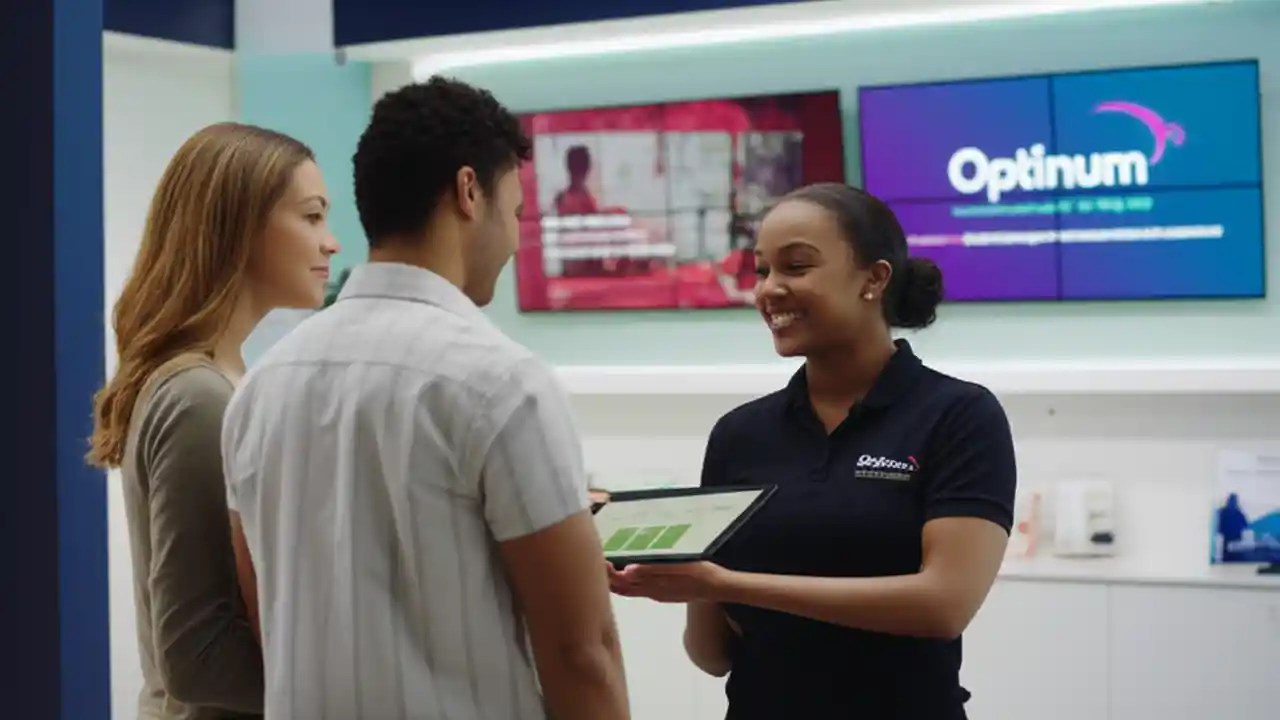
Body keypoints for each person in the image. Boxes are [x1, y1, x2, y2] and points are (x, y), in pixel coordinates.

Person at [220, 77, 630, 720]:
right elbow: (582, 651)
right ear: (469, 192)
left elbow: (261, 610)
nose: (517, 239)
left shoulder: (262, 386)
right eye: (515, 212)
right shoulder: (502, 383)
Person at [609, 182, 1017, 719]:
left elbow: (943, 605)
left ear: (874, 279)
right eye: (761, 271)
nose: (769, 291)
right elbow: (711, 655)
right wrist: (679, 572)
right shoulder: (739, 434)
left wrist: (729, 584)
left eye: (796, 267)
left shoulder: (957, 415)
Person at [87, 122, 340, 719]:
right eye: (310, 218)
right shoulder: (198, 396)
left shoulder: (215, 382)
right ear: (237, 229)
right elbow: (196, 655)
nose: (330, 243)